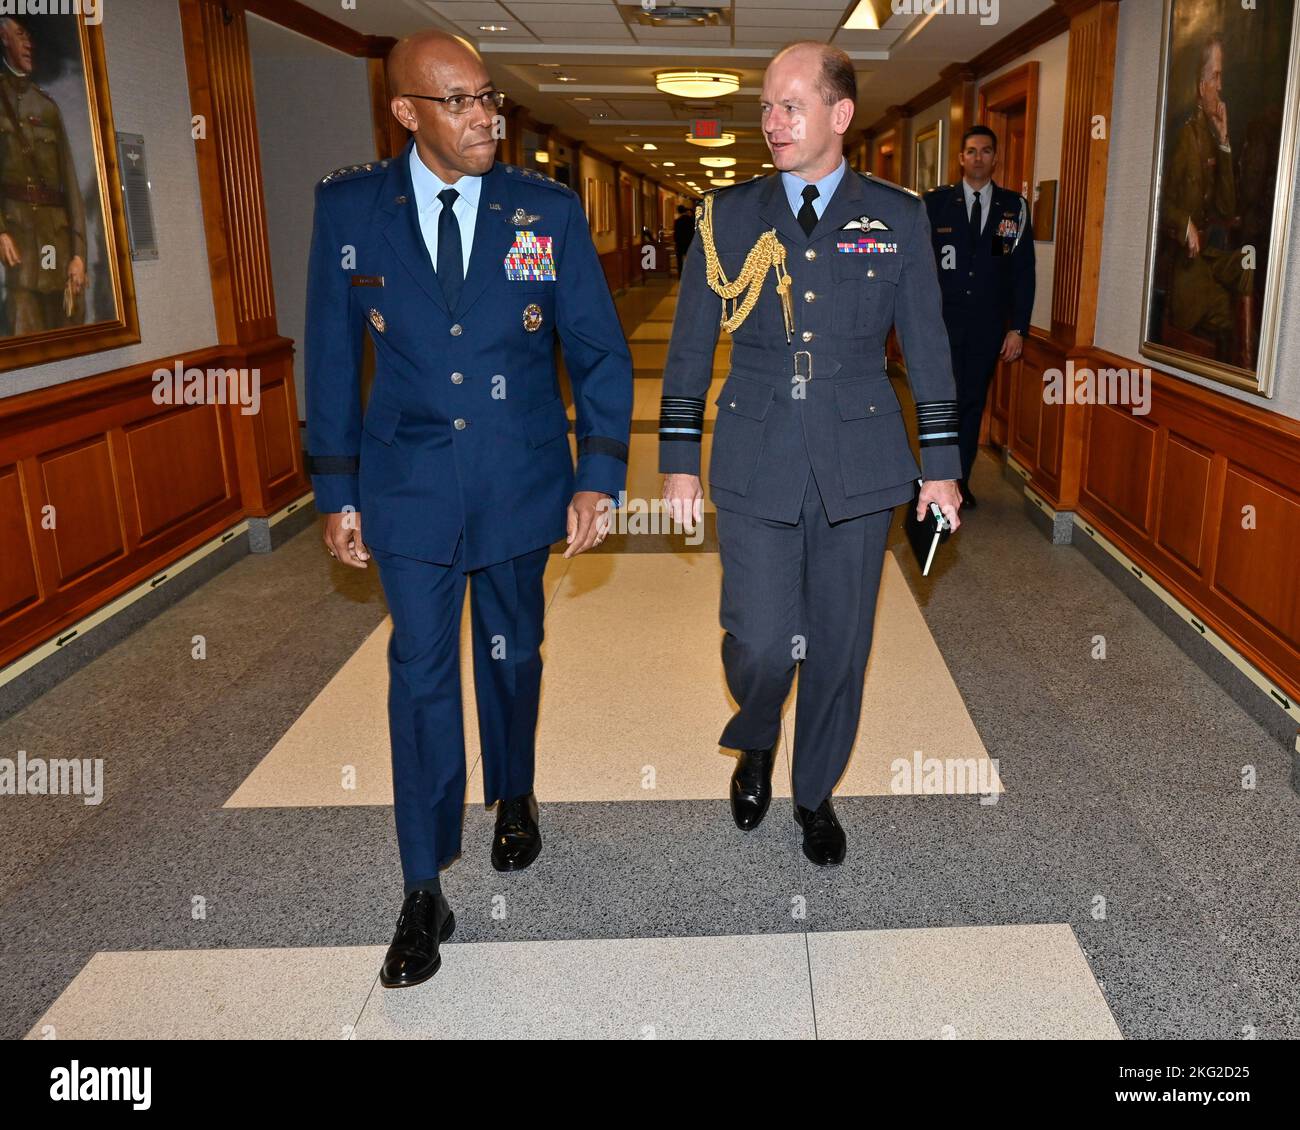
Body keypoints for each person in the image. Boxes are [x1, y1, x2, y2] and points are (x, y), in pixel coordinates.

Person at [305, 29, 632, 987]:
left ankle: (516, 790)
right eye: (459, 101)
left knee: (513, 648)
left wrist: (598, 474)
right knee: (417, 672)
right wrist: (336, 490)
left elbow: (601, 352)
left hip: (519, 476)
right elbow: (331, 356)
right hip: (405, 484)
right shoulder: (350, 209)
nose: (485, 115)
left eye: (488, 96)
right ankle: (422, 885)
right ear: (407, 112)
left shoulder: (546, 211)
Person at [659, 41, 962, 868]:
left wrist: (941, 465)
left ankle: (813, 790)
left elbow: (930, 349)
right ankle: (756, 735)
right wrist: (678, 455)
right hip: (757, 447)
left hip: (861, 457)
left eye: (790, 107)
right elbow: (689, 346)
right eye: (765, 106)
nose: (772, 123)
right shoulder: (727, 215)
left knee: (838, 643)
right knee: (759, 642)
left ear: (840, 115)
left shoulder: (896, 216)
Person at [923, 125, 1034, 509]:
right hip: (940, 327)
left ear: (995, 157)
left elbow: (1023, 272)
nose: (978, 158)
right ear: (960, 158)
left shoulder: (1012, 207)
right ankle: (932, 477)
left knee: (970, 404)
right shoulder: (934, 204)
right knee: (939, 403)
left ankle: (960, 481)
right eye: (971, 151)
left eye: (986, 151)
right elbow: (918, 270)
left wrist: (1018, 327)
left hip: (986, 329)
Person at [1160, 35, 1254, 369]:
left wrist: (1225, 139)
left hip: (1207, 257)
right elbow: (1160, 202)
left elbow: (1227, 209)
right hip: (1185, 266)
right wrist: (1184, 224)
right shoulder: (1184, 136)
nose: (1221, 85)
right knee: (1230, 313)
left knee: (1248, 268)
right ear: (1201, 87)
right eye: (1216, 77)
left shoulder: (1212, 135)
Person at [0, 16, 86, 336]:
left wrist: (78, 254)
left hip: (57, 249)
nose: (28, 43)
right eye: (20, 34)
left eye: (30, 36)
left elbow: (72, 189)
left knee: (67, 336)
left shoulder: (47, 108)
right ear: (3, 36)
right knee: (24, 335)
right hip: (19, 250)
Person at [673, 203, 695, 277]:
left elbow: (676, 234)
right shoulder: (690, 220)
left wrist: (676, 242)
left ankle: (680, 275)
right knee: (689, 259)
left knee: (679, 260)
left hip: (680, 243)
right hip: (689, 243)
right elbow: (693, 232)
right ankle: (690, 274)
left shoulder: (677, 221)